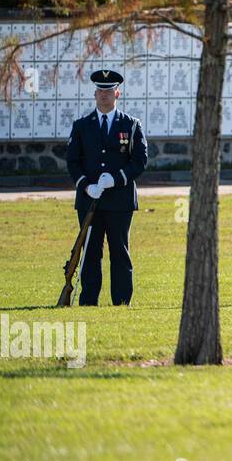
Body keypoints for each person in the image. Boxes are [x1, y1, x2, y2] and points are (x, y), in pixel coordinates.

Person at [65, 69, 148, 306]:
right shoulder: (81, 126)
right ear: (94, 94)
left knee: (119, 251)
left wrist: (116, 178)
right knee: (91, 251)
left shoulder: (131, 125)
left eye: (109, 90)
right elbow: (73, 161)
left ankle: (121, 301)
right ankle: (89, 300)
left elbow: (139, 161)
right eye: (101, 90)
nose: (104, 95)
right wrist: (85, 185)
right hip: (90, 199)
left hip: (119, 200)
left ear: (117, 93)